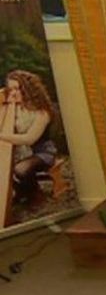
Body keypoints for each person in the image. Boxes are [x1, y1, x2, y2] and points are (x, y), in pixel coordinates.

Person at [0, 70, 58, 208]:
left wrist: (1, 136)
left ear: (29, 90)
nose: (13, 93)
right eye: (10, 89)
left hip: (42, 152)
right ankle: (22, 191)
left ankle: (35, 193)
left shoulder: (42, 112)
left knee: (20, 169)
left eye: (17, 89)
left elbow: (29, 139)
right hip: (22, 151)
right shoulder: (14, 108)